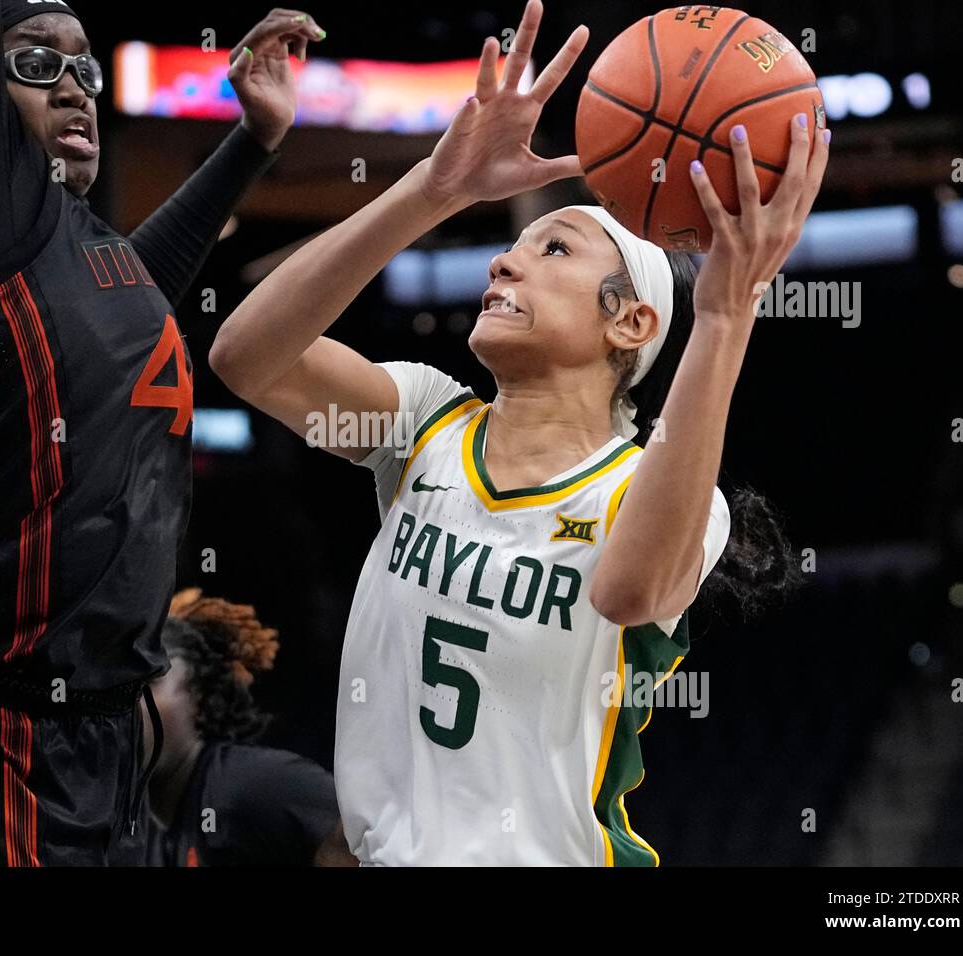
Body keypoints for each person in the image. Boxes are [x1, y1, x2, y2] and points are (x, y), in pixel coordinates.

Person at [209, 0, 825, 864]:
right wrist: (435, 188)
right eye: (515, 247)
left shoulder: (657, 490)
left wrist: (725, 313)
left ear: (631, 324)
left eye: (556, 250)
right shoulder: (427, 420)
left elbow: (632, 594)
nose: (506, 260)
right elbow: (247, 357)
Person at [0, 0, 326, 866]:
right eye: (36, 62)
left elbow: (137, 301)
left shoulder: (66, 251)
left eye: (84, 67)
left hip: (88, 742)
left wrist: (253, 141)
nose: (76, 87)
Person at [111, 589, 355, 866]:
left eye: (149, 684)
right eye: (117, 689)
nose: (126, 705)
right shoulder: (144, 829)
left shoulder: (251, 785)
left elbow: (369, 837)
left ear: (200, 698)